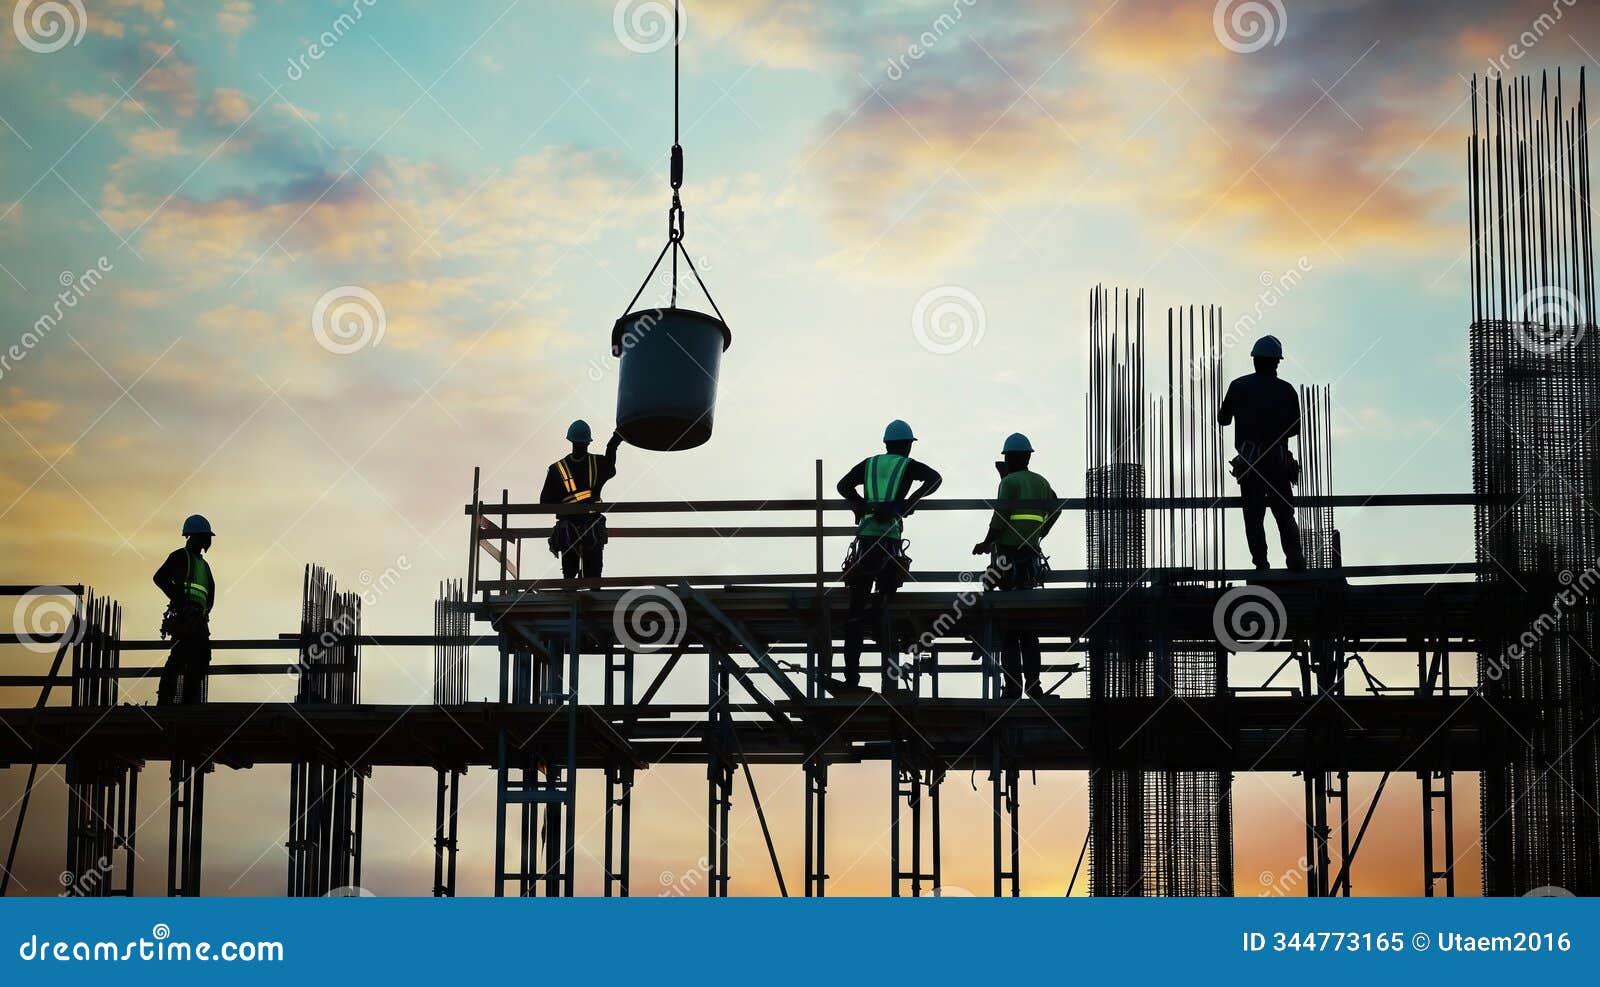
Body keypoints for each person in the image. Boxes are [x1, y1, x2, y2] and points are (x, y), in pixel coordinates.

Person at [832, 419, 942, 693]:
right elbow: (936, 479)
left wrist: (859, 506)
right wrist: (906, 504)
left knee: (854, 614)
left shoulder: (869, 465)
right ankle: (887, 681)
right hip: (889, 544)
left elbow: (842, 486)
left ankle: (851, 680)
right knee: (882, 608)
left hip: (865, 542)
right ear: (906, 445)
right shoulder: (907, 465)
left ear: (885, 443)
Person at [972, 432, 1059, 699]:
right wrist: (1041, 531)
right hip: (1030, 560)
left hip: (1008, 558)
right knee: (1028, 629)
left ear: (1008, 458)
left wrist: (985, 543)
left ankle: (1012, 687)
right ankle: (1034, 686)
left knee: (1010, 629)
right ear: (1029, 457)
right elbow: (1056, 508)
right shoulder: (1041, 482)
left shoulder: (1009, 482)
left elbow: (1000, 516)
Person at [1217, 335, 1306, 571]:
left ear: (1255, 360)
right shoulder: (1286, 390)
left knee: (1254, 518)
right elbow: (1296, 428)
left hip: (1251, 463)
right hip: (1277, 462)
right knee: (1285, 515)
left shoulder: (1239, 386)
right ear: (1277, 362)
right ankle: (1295, 562)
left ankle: (1261, 565)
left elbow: (1223, 419)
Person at [541, 420, 623, 580]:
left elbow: (545, 502)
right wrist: (615, 440)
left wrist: (565, 506)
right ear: (588, 442)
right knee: (593, 575)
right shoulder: (597, 464)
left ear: (571, 440)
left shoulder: (557, 469)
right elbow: (610, 464)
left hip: (571, 530)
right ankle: (589, 590)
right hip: (588, 528)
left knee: (571, 576)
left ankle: (572, 591)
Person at [153, 514, 216, 705]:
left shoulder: (204, 566)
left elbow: (210, 594)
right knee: (179, 656)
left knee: (202, 656)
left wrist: (203, 614)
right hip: (184, 617)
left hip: (198, 621)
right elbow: (160, 578)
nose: (208, 540)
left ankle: (189, 699)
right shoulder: (180, 556)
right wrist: (179, 601)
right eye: (205, 536)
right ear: (194, 536)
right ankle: (165, 700)